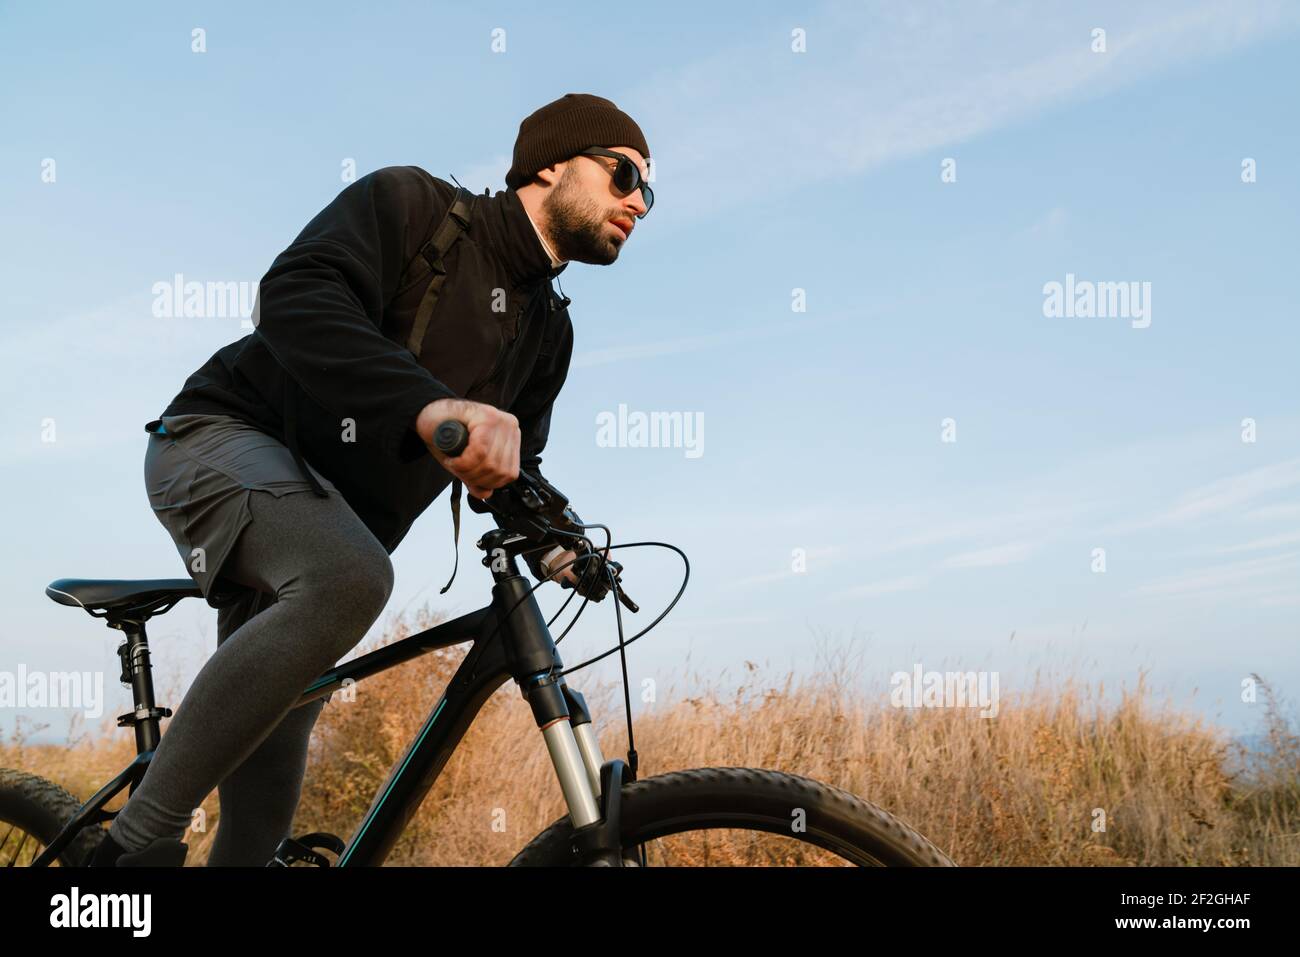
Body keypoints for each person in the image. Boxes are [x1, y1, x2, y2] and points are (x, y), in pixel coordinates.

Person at [89, 93, 652, 866]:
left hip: (322, 523)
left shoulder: (548, 332)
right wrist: (428, 406)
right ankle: (127, 852)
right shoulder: (414, 204)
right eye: (625, 175)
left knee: (263, 800)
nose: (639, 203)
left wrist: (555, 534)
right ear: (550, 164)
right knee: (353, 576)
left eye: (649, 191)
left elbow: (513, 471)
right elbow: (295, 296)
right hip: (219, 438)